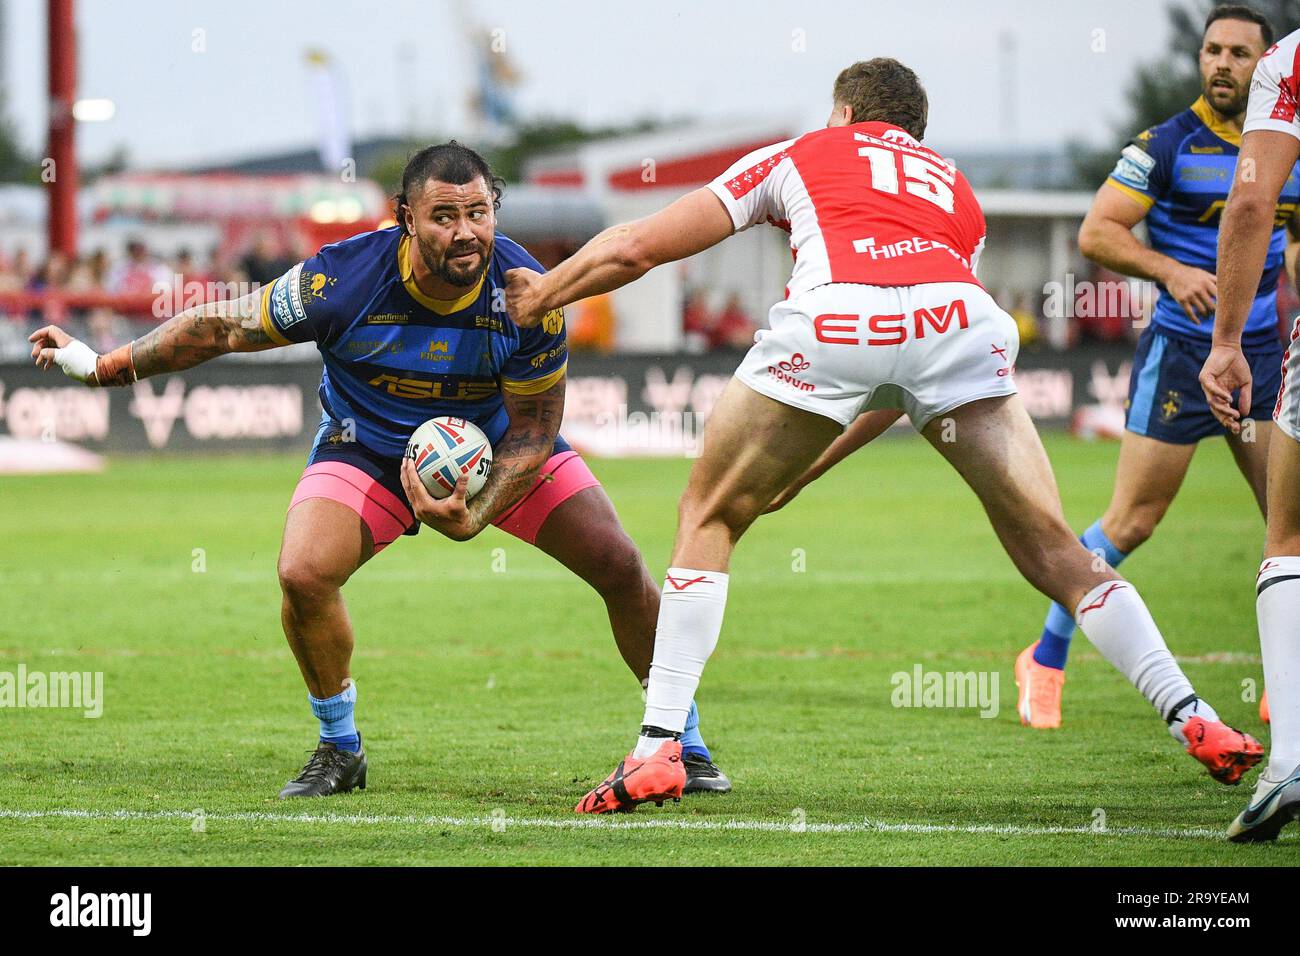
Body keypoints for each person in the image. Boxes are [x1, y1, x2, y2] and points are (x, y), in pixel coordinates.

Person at [505, 58, 1262, 814]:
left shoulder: (802, 151)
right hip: (965, 325)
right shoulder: (954, 187)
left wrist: (545, 289)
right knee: (1059, 550)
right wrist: (805, 467)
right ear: (915, 130)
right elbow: (904, 378)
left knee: (709, 515)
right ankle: (1195, 715)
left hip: (836, 318)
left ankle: (657, 749)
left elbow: (641, 246)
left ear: (843, 113)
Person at [29, 141, 729, 800]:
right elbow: (224, 328)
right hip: (366, 447)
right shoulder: (343, 278)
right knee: (304, 573)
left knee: (616, 560)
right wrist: (103, 365)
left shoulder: (530, 294)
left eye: (478, 213)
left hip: (499, 442)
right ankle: (340, 747)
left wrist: (474, 514)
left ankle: (681, 742)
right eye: (444, 217)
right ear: (406, 220)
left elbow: (537, 429)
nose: (465, 233)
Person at [1016, 5, 1298, 729]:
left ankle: (1285, 683)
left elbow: (1290, 239)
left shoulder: (1286, 147)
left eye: (1240, 53)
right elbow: (1097, 231)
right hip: (1180, 355)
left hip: (1265, 354)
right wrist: (1171, 271)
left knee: (1287, 524)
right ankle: (1045, 657)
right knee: (1133, 522)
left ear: (1269, 66)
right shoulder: (1166, 144)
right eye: (1212, 51)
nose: (1223, 65)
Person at [1200, 25, 1300, 841]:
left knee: (1288, 532)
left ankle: (1291, 756)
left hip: (1212, 343)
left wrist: (1227, 341)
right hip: (1164, 337)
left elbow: (1251, 202)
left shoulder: (1290, 61)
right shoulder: (1162, 142)